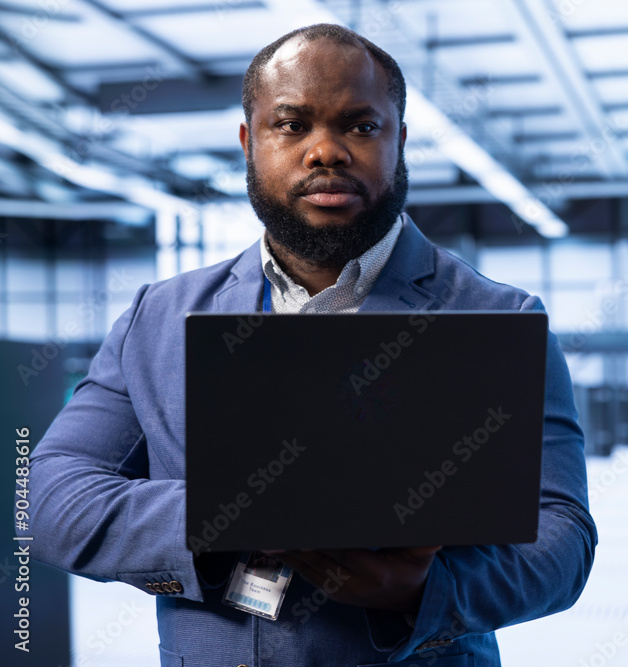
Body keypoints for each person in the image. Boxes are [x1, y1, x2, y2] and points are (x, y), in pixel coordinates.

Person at [30, 23, 597, 666]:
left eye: (360, 126)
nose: (325, 151)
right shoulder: (157, 318)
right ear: (249, 142)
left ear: (400, 141)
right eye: (292, 125)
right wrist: (233, 513)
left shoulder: (496, 318)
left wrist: (423, 591)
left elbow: (561, 539)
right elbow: (53, 497)